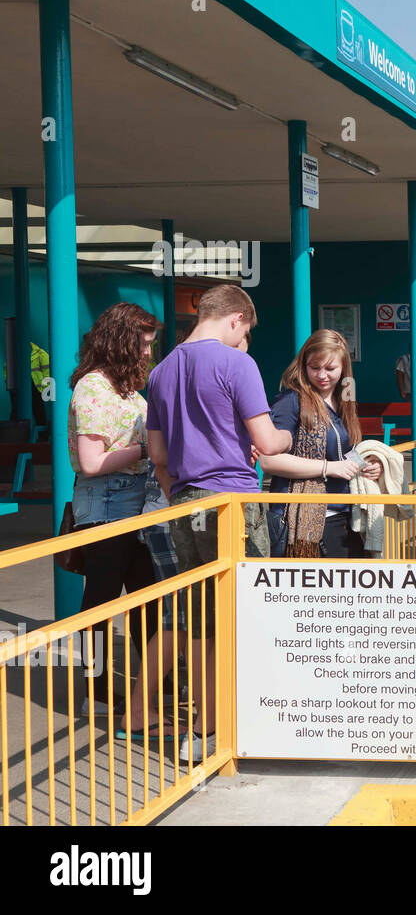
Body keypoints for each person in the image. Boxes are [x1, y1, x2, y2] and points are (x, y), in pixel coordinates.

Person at [145, 285, 291, 744]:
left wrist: (178, 495)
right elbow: (267, 443)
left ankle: (204, 723)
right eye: (244, 329)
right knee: (248, 611)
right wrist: (286, 437)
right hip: (232, 503)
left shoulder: (161, 371)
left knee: (199, 620)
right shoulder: (237, 364)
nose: (242, 337)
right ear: (234, 319)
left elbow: (158, 454)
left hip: (186, 503)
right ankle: (246, 718)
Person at [67, 303, 163, 714]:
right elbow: (90, 462)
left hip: (135, 502)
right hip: (105, 503)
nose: (147, 352)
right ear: (121, 340)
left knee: (146, 599)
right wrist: (146, 449)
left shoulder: (124, 387)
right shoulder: (93, 387)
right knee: (102, 601)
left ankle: (156, 681)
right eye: (142, 344)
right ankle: (97, 690)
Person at [262, 330, 382, 558]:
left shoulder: (346, 395)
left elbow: (348, 449)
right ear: (303, 364)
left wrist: (366, 465)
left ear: (344, 368)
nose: (322, 375)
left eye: (330, 369)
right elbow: (269, 460)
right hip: (303, 521)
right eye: (314, 367)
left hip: (347, 513)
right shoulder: (290, 401)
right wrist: (328, 467)